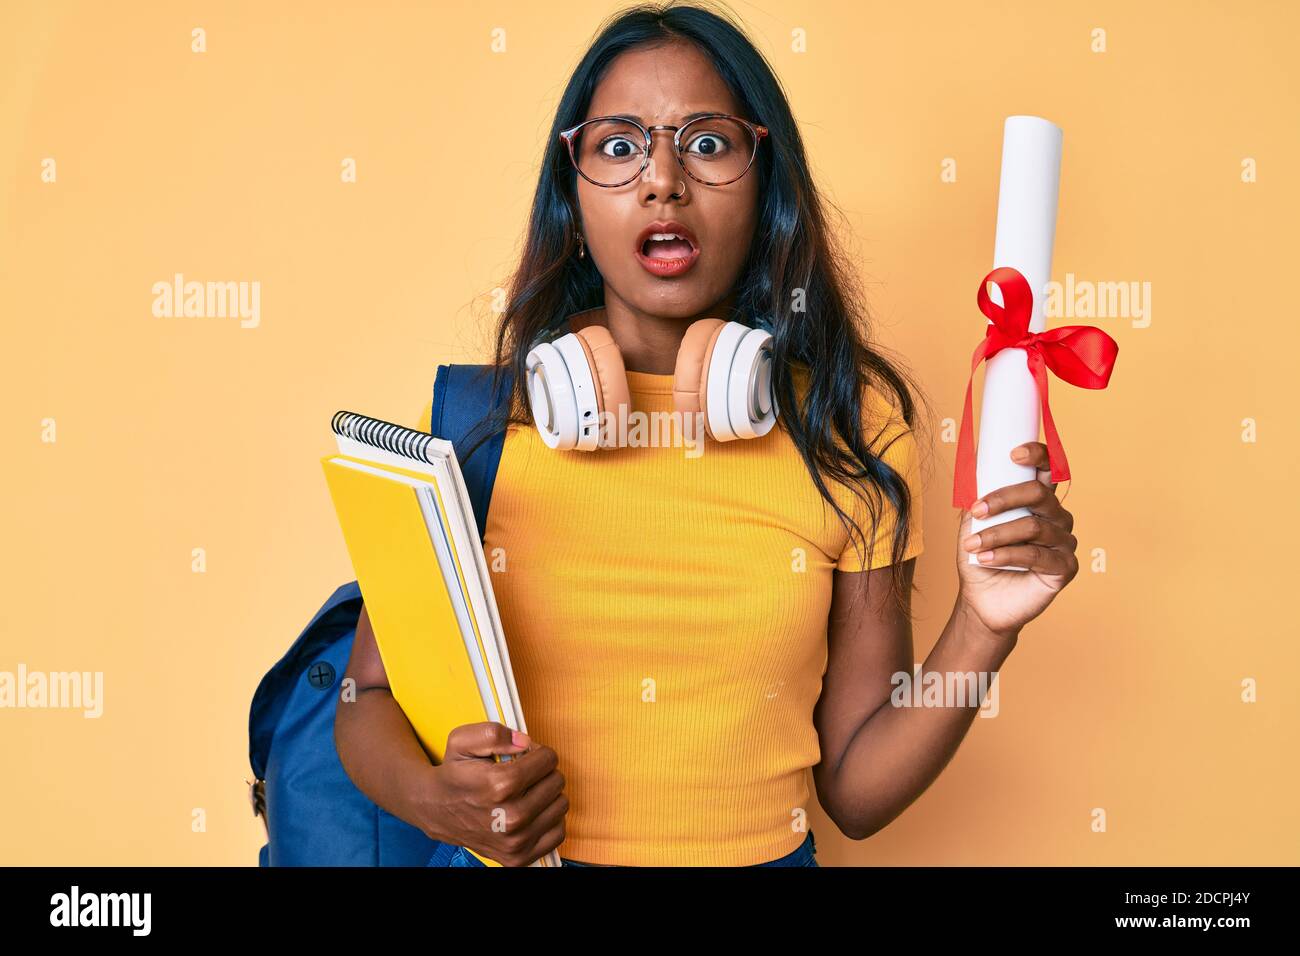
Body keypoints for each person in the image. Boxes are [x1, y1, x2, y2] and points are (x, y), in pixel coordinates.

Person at [333, 1, 1079, 868]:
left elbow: (856, 789)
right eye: (619, 146)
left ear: (767, 195)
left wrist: (984, 628)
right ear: (572, 202)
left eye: (708, 142)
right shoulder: (484, 425)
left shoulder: (853, 429)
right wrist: (434, 800)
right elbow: (364, 694)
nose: (663, 180)